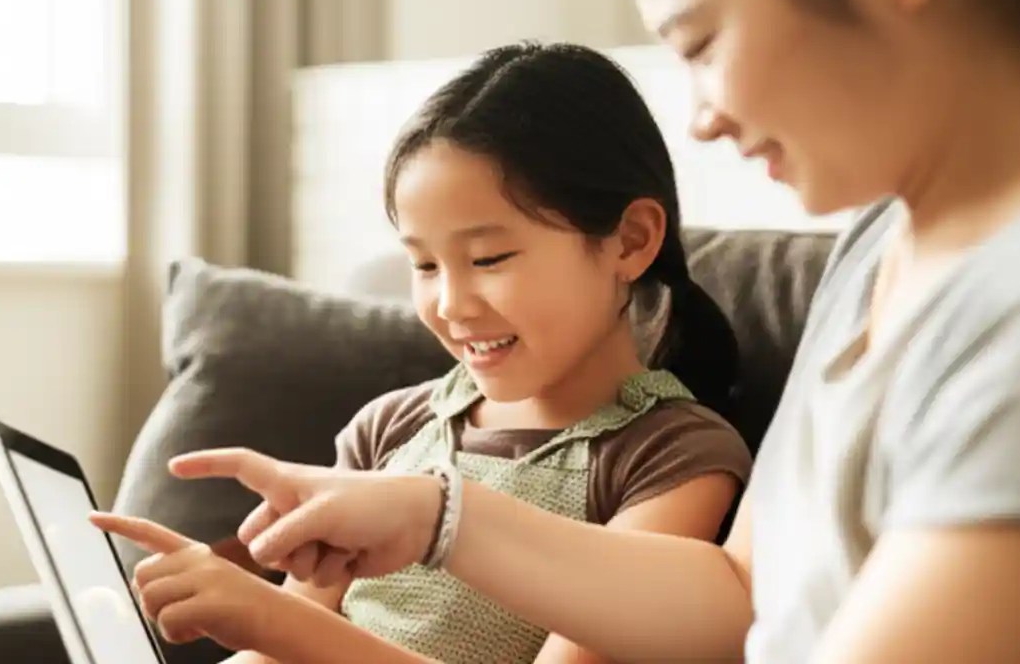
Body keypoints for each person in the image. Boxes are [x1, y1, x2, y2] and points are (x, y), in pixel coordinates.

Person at [94, 0, 1020, 661]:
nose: (702, 117)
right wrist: (436, 515)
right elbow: (736, 598)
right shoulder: (881, 238)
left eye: (701, 40)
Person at [95, 41, 752, 664]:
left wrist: (268, 617)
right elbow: (275, 650)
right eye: (425, 265)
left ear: (630, 241)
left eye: (489, 258)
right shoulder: (393, 429)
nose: (451, 304)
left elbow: (289, 634)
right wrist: (237, 616)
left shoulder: (672, 456)